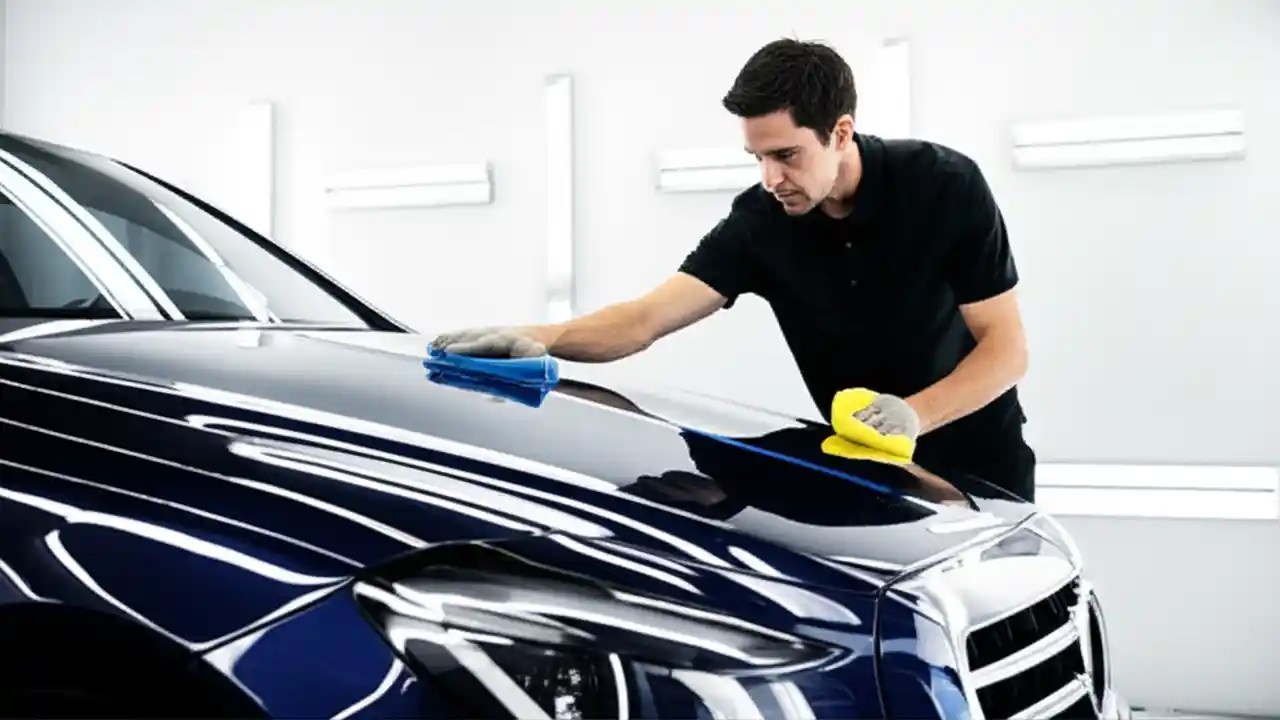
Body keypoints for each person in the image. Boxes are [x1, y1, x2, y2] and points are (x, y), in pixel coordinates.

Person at [431, 38, 1036, 502]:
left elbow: (1006, 349)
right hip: (864, 474)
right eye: (758, 158)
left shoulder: (944, 185)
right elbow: (644, 319)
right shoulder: (760, 223)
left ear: (840, 132)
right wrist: (537, 338)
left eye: (786, 155)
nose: (771, 178)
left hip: (983, 470)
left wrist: (913, 416)